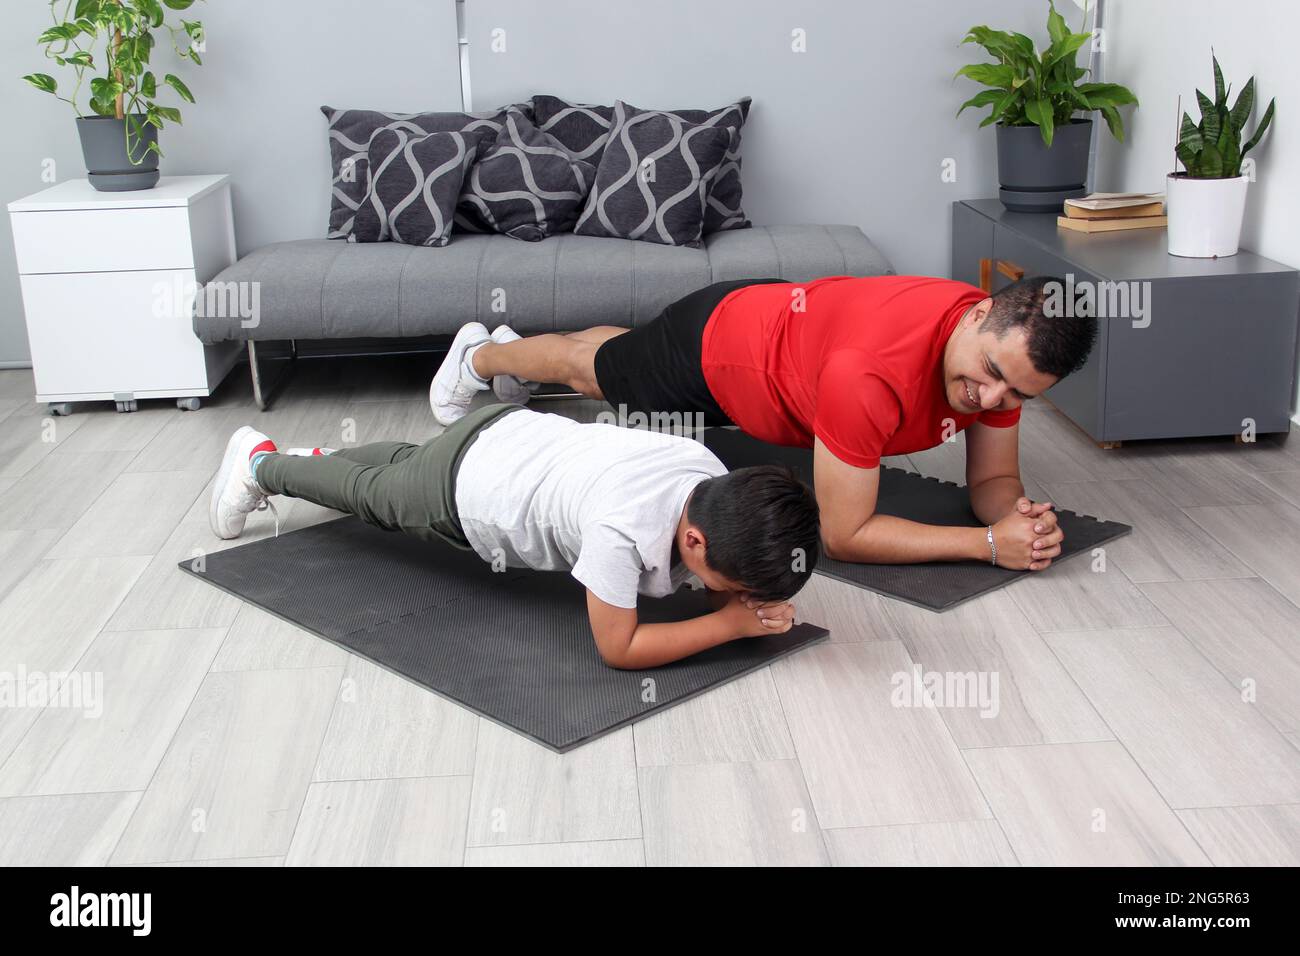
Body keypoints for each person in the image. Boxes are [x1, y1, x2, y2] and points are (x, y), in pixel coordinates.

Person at [430, 275, 1097, 571]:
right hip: (717, 355)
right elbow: (845, 534)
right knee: (591, 372)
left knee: (619, 353)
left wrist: (1019, 518)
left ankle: (540, 349)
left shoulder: (996, 361)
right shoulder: (868, 375)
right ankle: (482, 354)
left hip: (772, 325)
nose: (990, 400)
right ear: (979, 313)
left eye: (1016, 394)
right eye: (988, 373)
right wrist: (985, 548)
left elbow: (995, 479)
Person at [208, 402, 820, 670]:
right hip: (464, 494)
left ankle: (320, 455)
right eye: (731, 584)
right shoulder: (619, 529)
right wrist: (730, 624)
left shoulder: (711, 474)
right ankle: (262, 464)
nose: (734, 596)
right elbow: (620, 649)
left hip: (506, 430)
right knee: (372, 496)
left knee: (396, 462)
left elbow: (726, 556)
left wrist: (747, 589)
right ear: (693, 542)